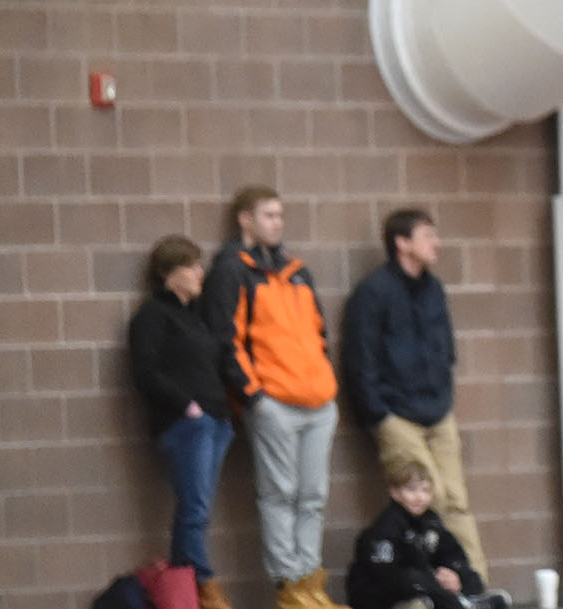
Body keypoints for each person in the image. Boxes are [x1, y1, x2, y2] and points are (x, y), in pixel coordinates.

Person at [201, 185, 347, 609]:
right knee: (279, 494)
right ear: (245, 219)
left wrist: (325, 381)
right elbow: (226, 340)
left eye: (280, 215)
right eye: (269, 215)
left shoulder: (297, 272)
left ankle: (310, 581)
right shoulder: (232, 271)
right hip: (273, 403)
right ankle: (289, 585)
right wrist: (255, 397)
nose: (278, 223)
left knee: (313, 496)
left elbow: (319, 333)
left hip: (317, 402)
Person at [342, 209, 488, 580]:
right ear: (402, 243)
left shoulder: (433, 288)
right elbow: (359, 359)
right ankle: (433, 590)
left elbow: (445, 347)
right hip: (395, 414)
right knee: (428, 498)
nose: (436, 243)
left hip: (437, 410)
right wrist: (378, 414)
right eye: (427, 235)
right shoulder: (373, 292)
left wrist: (443, 391)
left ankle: (474, 585)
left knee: (456, 501)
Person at [128, 234, 236, 609]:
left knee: (197, 511)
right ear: (169, 273)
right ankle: (203, 585)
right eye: (190, 266)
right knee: (194, 510)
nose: (199, 273)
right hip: (187, 424)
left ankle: (182, 595)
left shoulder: (196, 316)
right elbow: (146, 372)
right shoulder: (152, 316)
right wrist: (187, 406)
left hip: (215, 422)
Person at [346, 463, 510, 609]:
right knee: (415, 582)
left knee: (462, 575)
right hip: (381, 597)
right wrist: (431, 580)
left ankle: (466, 600)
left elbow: (452, 553)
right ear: (395, 493)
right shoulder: (387, 526)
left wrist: (457, 578)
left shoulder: (430, 522)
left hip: (426, 588)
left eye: (425, 490)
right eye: (411, 490)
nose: (419, 497)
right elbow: (387, 574)